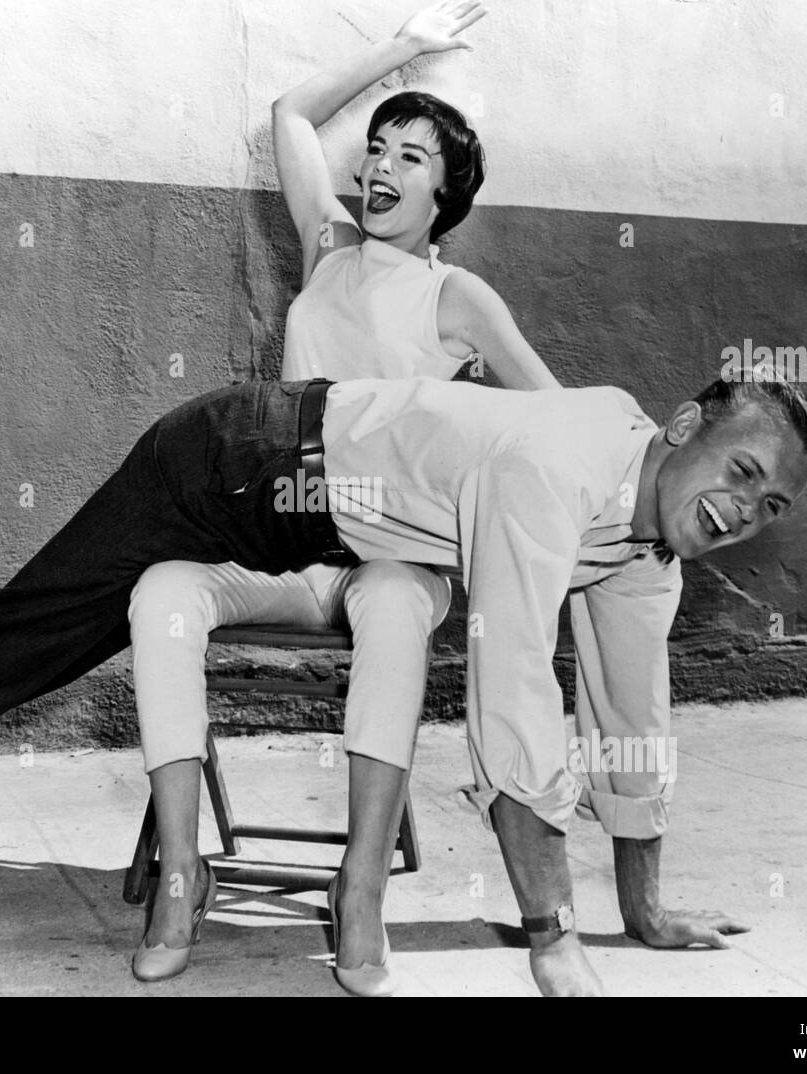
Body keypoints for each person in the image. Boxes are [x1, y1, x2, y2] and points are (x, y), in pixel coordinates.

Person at [0, 369, 807, 998]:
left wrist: (641, 908)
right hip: (244, 462)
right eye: (741, 470)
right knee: (41, 629)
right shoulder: (560, 465)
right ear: (685, 428)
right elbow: (513, 705)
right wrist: (553, 938)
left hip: (331, 522)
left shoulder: (649, 551)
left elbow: (631, 715)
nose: (743, 507)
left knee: (39, 638)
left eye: (769, 504)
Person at [127, 0, 564, 995]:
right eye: (377, 146)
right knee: (161, 591)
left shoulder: (459, 300)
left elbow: (551, 419)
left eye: (413, 157)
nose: (380, 166)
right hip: (284, 541)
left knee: (402, 611)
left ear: (448, 193)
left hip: (391, 553)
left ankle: (357, 887)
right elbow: (288, 113)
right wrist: (404, 52)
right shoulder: (324, 249)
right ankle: (181, 873)